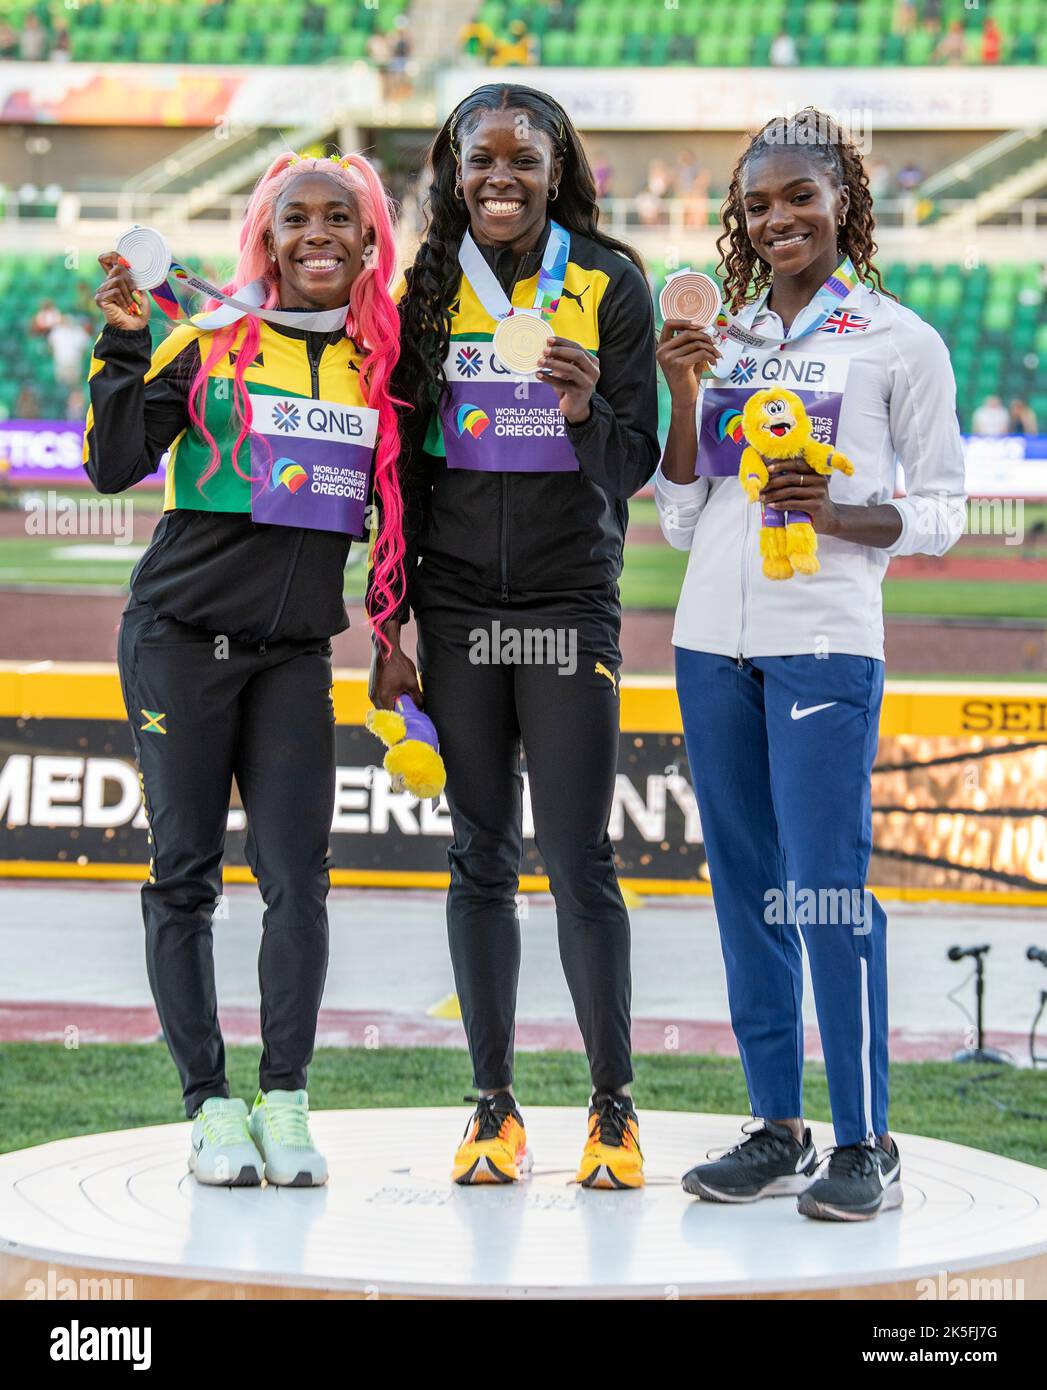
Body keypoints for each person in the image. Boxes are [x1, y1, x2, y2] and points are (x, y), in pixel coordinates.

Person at [655, 108, 965, 1221]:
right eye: (757, 202)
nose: (777, 217)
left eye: (800, 196)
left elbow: (943, 508)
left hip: (825, 642)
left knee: (828, 888)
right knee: (745, 887)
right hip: (709, 642)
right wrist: (683, 391)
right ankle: (777, 1127)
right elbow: (684, 517)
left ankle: (865, 1140)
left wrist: (840, 511)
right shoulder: (725, 335)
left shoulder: (900, 340)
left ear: (845, 204)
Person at [84, 152, 405, 1188]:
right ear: (266, 240)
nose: (317, 232)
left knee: (297, 883)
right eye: (295, 218)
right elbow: (112, 461)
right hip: (178, 640)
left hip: (293, 660)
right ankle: (209, 1106)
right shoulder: (210, 342)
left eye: (338, 219)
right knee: (184, 878)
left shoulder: (382, 363)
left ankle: (286, 1099)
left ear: (368, 243)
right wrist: (124, 342)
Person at [371, 83, 659, 1189]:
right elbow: (400, 470)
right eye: (477, 159)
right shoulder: (429, 290)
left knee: (580, 861)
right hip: (456, 611)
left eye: (522, 160)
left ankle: (612, 1109)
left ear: (556, 168)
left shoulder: (610, 282)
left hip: (567, 605)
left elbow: (634, 463)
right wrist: (392, 606)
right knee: (479, 856)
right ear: (452, 170)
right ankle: (492, 1106)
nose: (499, 177)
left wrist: (589, 414)